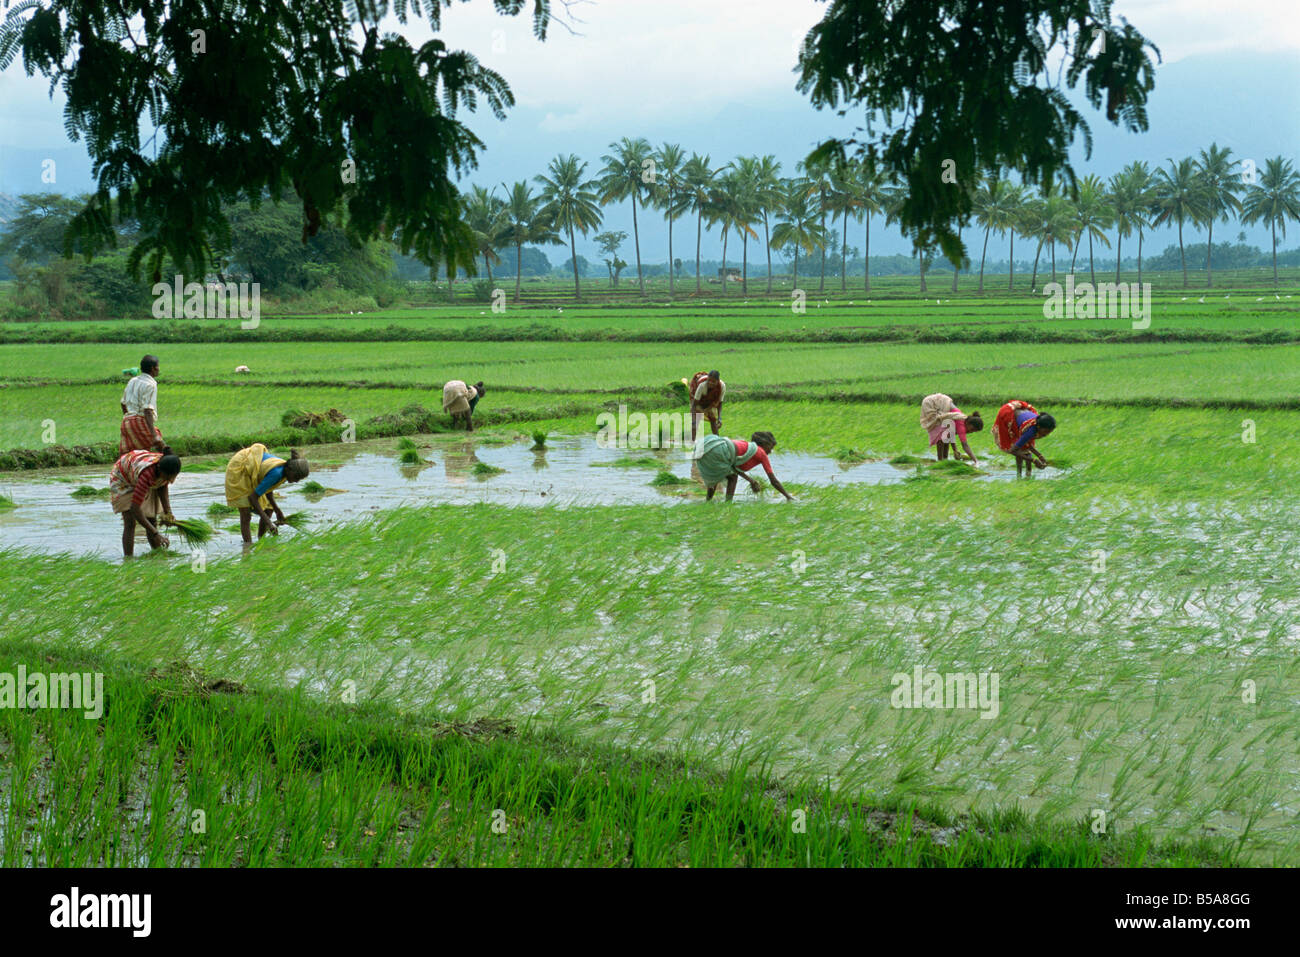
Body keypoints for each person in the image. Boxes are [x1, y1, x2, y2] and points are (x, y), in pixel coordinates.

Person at [224, 444, 310, 542]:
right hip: (241, 467)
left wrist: (277, 509)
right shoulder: (277, 473)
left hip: (252, 469)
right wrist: (269, 523)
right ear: (289, 470)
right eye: (296, 477)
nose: (296, 481)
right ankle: (247, 546)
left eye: (299, 479)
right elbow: (253, 498)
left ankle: (261, 539)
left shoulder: (284, 472)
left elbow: (268, 489)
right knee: (245, 514)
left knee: (269, 508)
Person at [108, 445, 181, 556]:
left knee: (152, 519)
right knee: (130, 522)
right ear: (160, 470)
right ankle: (129, 560)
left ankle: (158, 555)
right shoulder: (147, 475)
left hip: (138, 472)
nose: (171, 481)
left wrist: (168, 512)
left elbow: (162, 486)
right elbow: (135, 508)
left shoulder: (166, 468)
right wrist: (156, 533)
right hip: (123, 477)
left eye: (173, 477)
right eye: (167, 477)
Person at [693, 430, 794, 502]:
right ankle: (728, 503)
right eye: (770, 447)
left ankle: (708, 501)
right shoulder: (761, 452)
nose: (770, 451)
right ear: (765, 444)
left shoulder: (747, 447)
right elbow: (773, 481)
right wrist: (788, 496)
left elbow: (733, 468)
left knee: (717, 476)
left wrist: (751, 481)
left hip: (705, 448)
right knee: (732, 477)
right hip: (717, 450)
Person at [994, 400, 1056, 477]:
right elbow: (1013, 451)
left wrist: (1040, 456)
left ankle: (1027, 476)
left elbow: (1028, 444)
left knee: (1025, 450)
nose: (1047, 434)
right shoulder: (1030, 431)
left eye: (1050, 432)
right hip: (1008, 415)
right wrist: (1034, 460)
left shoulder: (1037, 424)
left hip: (1021, 414)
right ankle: (1019, 475)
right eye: (1046, 431)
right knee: (1020, 449)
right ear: (1039, 427)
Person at [919, 393, 983, 466]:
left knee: (945, 435)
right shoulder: (961, 423)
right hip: (932, 403)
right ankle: (940, 461)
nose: (971, 432)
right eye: (972, 429)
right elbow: (965, 445)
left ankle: (945, 460)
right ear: (969, 423)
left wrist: (955, 450)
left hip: (938, 401)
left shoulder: (961, 420)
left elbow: (950, 435)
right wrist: (976, 461)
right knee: (940, 434)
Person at [119, 354, 165, 453]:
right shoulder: (151, 384)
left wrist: (130, 418)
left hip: (126, 422)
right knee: (162, 449)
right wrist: (154, 436)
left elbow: (123, 403)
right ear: (153, 368)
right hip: (140, 421)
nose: (159, 369)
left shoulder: (133, 380)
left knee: (129, 455)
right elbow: (147, 410)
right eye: (158, 366)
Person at [687, 370, 726, 441]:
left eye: (713, 382)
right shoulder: (702, 385)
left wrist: (719, 419)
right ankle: (693, 442)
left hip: (710, 402)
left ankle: (717, 441)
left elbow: (720, 403)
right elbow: (694, 405)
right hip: (698, 401)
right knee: (696, 420)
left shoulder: (722, 386)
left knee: (713, 419)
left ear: (718, 381)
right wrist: (693, 421)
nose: (710, 383)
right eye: (709, 380)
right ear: (707, 379)